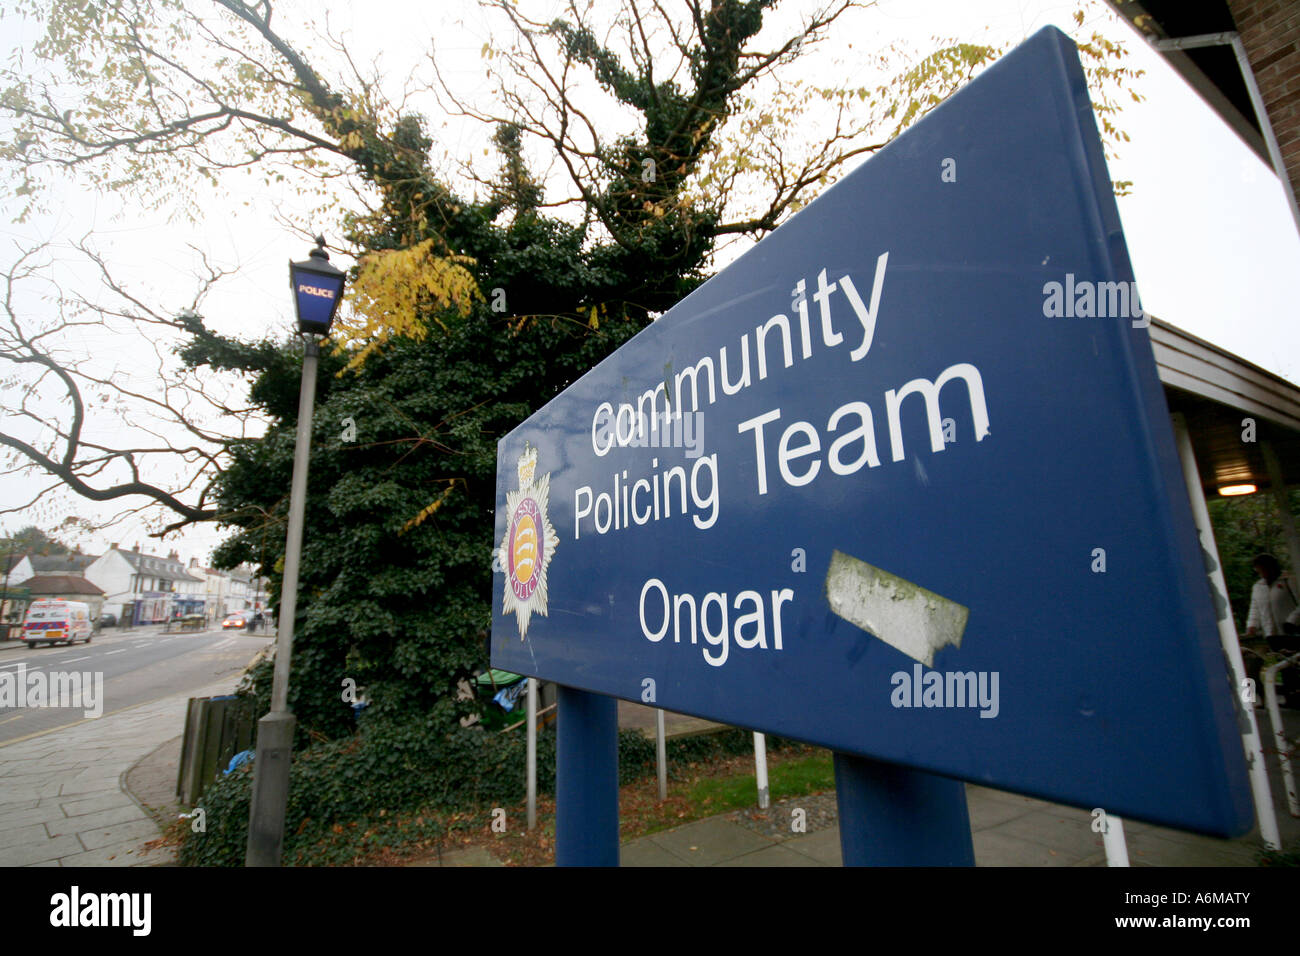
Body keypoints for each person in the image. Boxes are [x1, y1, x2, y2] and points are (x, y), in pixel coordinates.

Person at [1243, 553, 1300, 698]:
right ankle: (1291, 695)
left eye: (1263, 569)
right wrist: (1252, 625)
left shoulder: (1289, 581)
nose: (1262, 573)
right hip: (1272, 632)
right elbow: (1255, 607)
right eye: (1259, 570)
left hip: (1291, 630)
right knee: (1282, 663)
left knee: (1294, 660)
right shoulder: (1258, 587)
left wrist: (1292, 620)